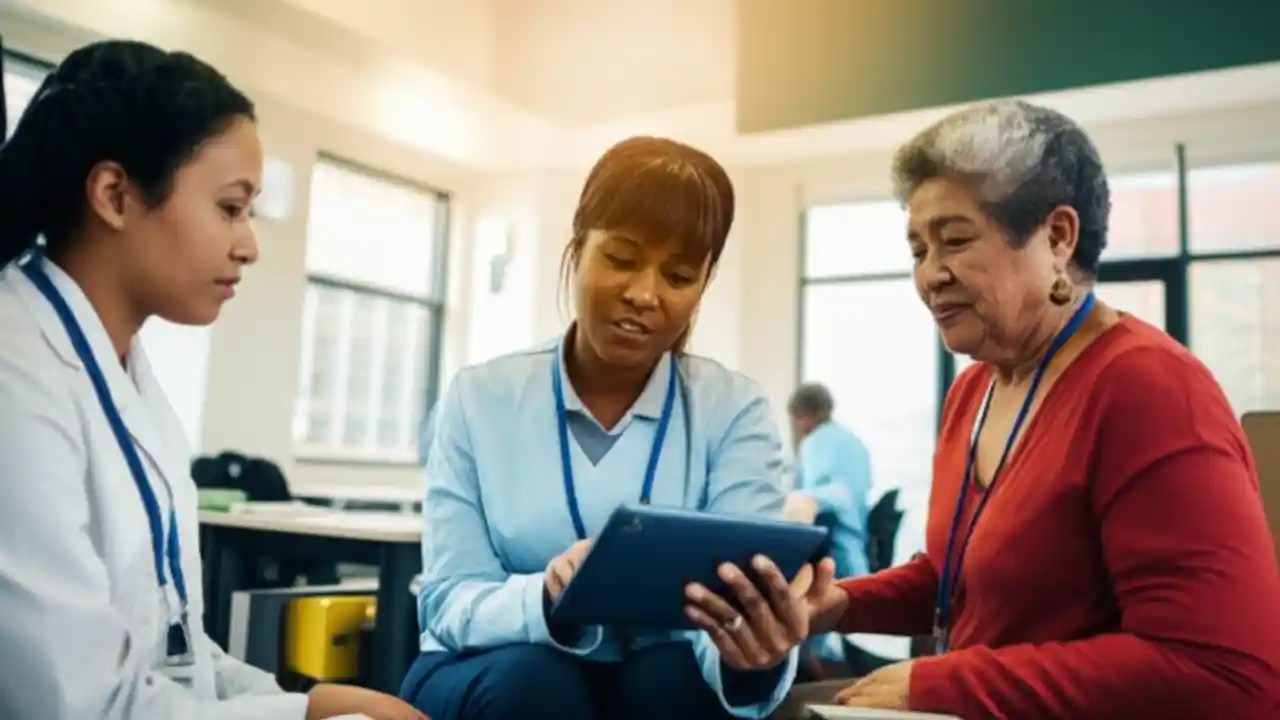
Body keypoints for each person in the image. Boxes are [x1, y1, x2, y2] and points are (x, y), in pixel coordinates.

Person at [742, 99, 1280, 718]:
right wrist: (839, 605)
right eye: (918, 250)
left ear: (1057, 237)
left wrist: (945, 683)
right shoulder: (974, 391)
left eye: (955, 241)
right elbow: (960, 578)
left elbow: (1222, 671)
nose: (930, 276)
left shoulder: (1148, 389)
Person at [0, 41, 426, 720]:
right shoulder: (15, 375)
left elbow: (172, 658)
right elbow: (74, 703)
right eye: (231, 208)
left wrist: (303, 700)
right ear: (114, 195)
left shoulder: (132, 383)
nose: (250, 245)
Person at [399, 136, 833, 720]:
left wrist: (748, 652)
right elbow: (449, 602)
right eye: (622, 259)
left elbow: (728, 616)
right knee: (536, 682)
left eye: (678, 275)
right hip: (497, 664)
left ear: (704, 282)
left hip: (659, 672)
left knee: (669, 684)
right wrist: (545, 597)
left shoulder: (731, 411)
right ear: (578, 246)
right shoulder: (480, 398)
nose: (643, 295)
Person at [783, 383, 875, 679]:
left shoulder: (816, 443)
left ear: (802, 416)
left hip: (831, 548)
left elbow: (815, 498)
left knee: (814, 635)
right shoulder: (854, 442)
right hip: (857, 547)